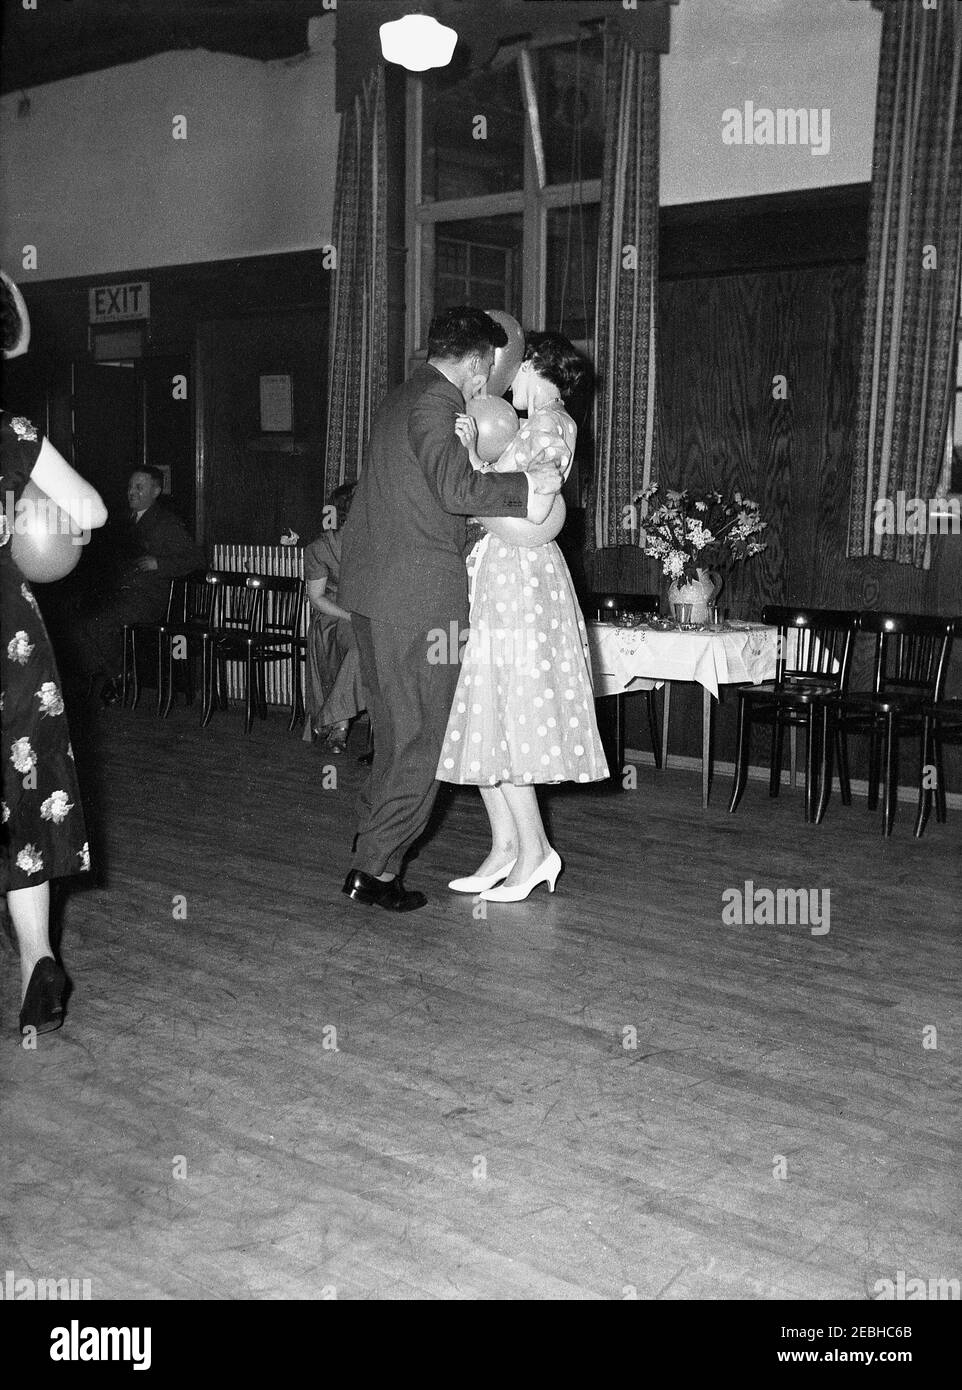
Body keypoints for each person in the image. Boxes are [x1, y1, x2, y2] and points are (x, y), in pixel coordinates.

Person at [338, 306, 565, 912]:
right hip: (421, 604)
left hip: (374, 594)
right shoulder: (438, 404)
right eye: (486, 369)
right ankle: (377, 870)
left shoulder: (399, 398)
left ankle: (369, 853)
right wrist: (530, 490)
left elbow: (418, 501)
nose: (486, 384)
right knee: (425, 742)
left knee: (394, 736)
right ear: (472, 362)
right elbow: (455, 491)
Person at [437, 331, 608, 901]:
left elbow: (534, 496)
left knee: (507, 710)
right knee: (488, 709)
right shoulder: (535, 422)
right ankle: (506, 848)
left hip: (519, 576)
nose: (509, 378)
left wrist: (475, 472)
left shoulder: (550, 422)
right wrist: (475, 461)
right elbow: (503, 487)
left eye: (520, 366)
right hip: (501, 572)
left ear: (539, 367)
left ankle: (536, 852)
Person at [1, 268, 108, 1033]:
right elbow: (92, 510)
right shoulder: (13, 432)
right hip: (13, 642)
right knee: (24, 804)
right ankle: (39, 960)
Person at [75, 466, 204, 704]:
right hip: (120, 594)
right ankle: (107, 677)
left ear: (155, 491)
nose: (131, 492)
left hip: (146, 599)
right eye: (130, 487)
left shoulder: (166, 522)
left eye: (139, 487)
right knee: (82, 619)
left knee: (100, 622)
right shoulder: (123, 521)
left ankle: (119, 677)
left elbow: (195, 558)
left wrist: (159, 563)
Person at [302, 481, 366, 755]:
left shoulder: (375, 543)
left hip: (366, 615)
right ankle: (338, 725)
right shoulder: (319, 548)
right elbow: (317, 599)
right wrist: (352, 616)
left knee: (363, 645)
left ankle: (332, 720)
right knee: (358, 648)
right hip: (333, 616)